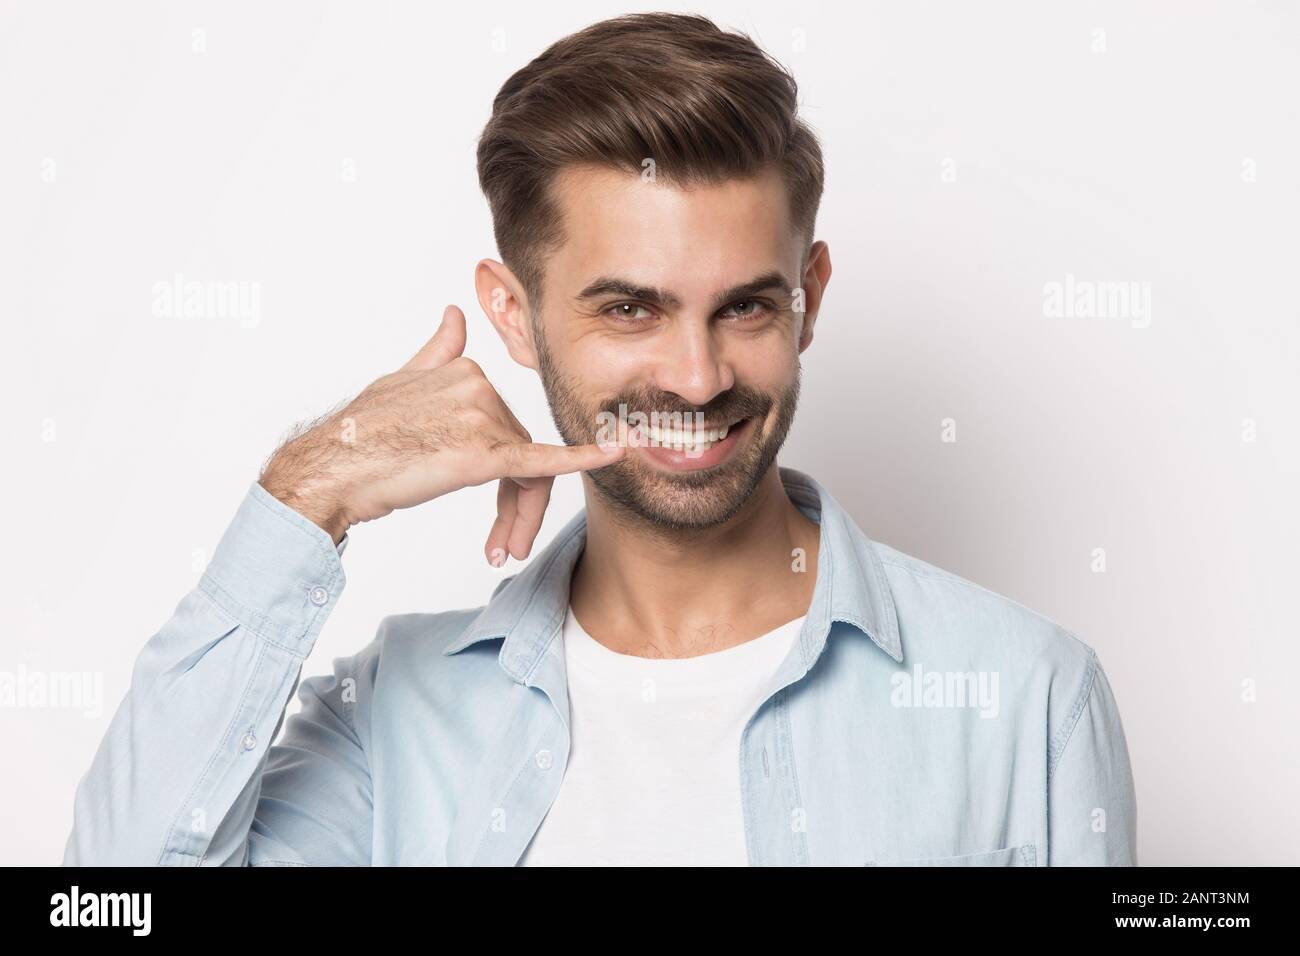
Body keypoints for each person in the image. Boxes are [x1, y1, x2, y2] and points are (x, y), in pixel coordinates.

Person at [63, 12, 1136, 866]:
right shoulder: (396, 715)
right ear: (515, 314)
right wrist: (312, 489)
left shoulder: (1025, 694)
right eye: (629, 309)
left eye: (746, 308)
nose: (698, 375)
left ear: (808, 295)